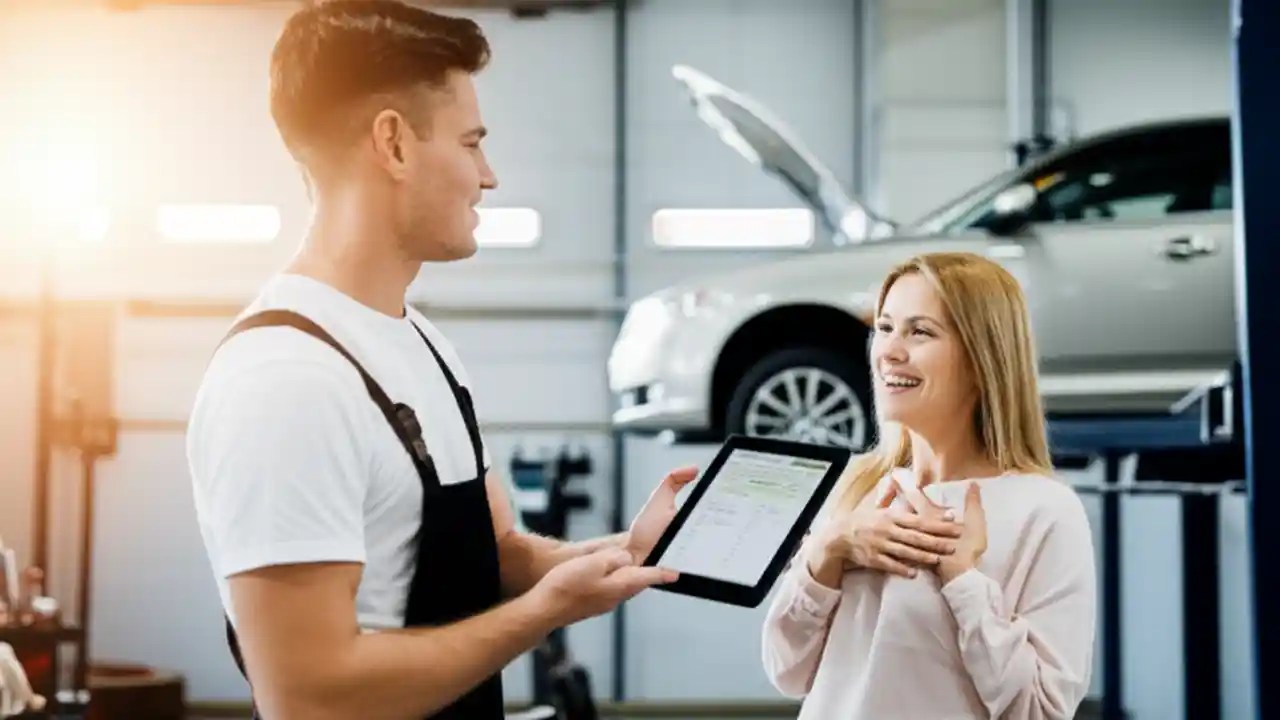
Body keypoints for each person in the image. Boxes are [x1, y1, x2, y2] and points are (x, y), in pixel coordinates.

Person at [185, 3, 693, 719]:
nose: (488, 176)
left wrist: (620, 553)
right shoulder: (287, 379)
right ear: (393, 143)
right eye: (471, 142)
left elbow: (498, 551)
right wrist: (542, 614)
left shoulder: (421, 342)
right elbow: (308, 692)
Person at [761, 252, 1097, 719]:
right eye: (884, 327)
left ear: (983, 359)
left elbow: (1040, 710)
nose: (890, 351)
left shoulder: (1043, 510)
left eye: (919, 332)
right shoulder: (851, 489)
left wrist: (962, 579)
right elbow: (787, 671)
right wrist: (828, 551)